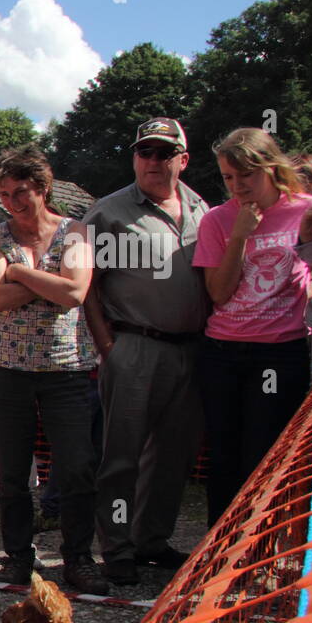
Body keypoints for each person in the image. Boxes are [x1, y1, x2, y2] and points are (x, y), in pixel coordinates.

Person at [82, 117, 209, 586]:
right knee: (122, 456)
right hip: (133, 344)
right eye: (145, 152)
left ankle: (152, 540)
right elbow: (85, 284)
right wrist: (106, 345)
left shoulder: (201, 208)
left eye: (163, 152)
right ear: (135, 157)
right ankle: (117, 546)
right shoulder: (110, 213)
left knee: (174, 456)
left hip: (191, 348)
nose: (153, 161)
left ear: (183, 159)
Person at [0, 146, 107, 593]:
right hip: (6, 367)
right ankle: (17, 557)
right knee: (11, 471)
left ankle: (78, 558)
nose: (14, 202)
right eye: (6, 194)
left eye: (22, 192)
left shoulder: (75, 232)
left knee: (76, 468)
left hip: (66, 367)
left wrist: (20, 272)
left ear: (43, 188)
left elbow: (74, 293)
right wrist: (44, 283)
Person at [193, 128, 312, 526]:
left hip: (280, 352)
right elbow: (219, 293)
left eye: (244, 175)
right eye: (227, 178)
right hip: (222, 352)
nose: (236, 186)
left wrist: (311, 272)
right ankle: (215, 554)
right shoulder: (218, 219)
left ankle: (258, 552)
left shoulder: (309, 209)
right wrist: (239, 239)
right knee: (224, 456)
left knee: (263, 455)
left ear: (269, 167)